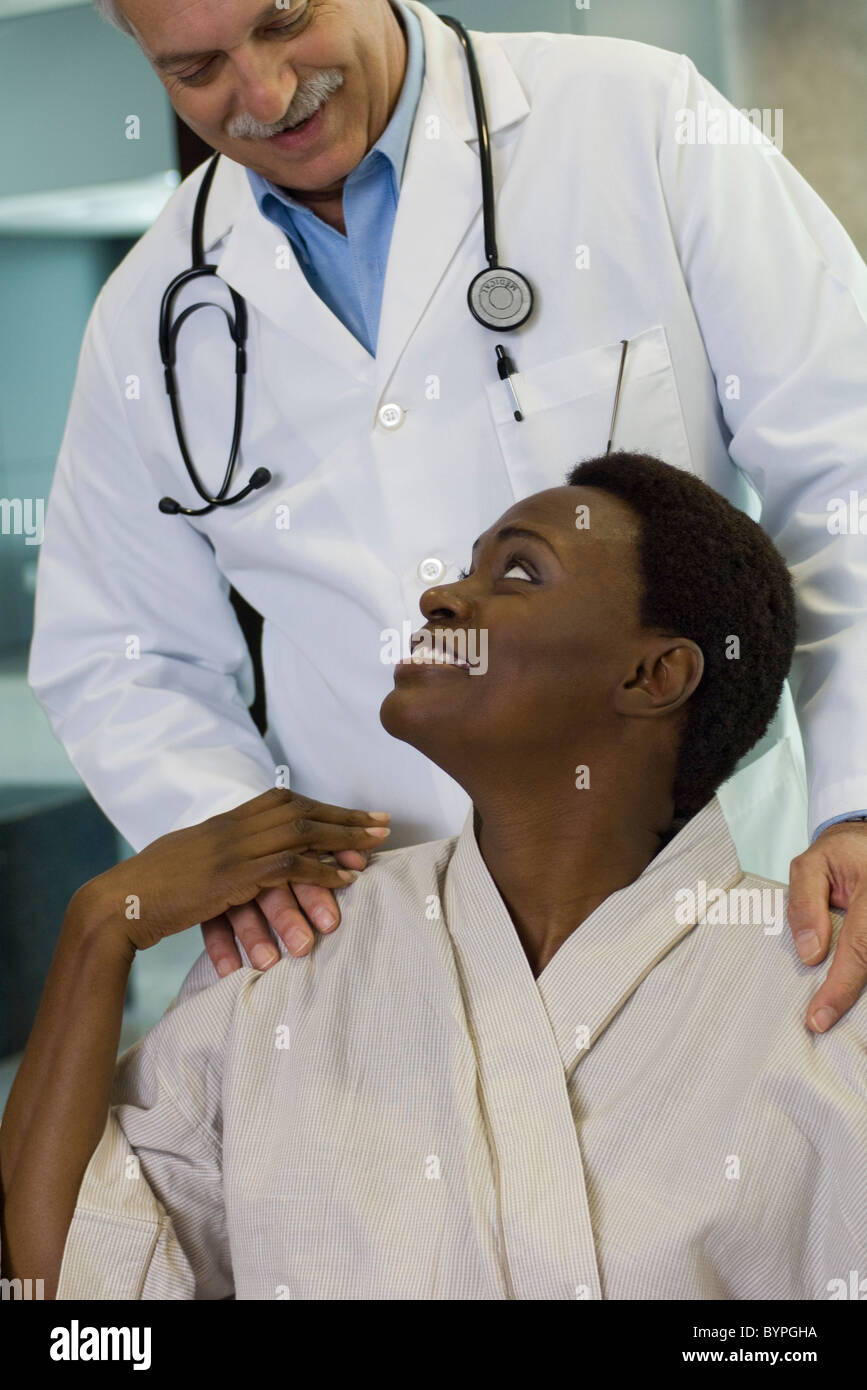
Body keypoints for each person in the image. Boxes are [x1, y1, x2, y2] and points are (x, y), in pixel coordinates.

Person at [27, 0, 867, 1028]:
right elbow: (115, 648)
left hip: (721, 886)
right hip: (373, 935)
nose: (269, 94)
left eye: (286, 20)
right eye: (197, 68)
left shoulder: (636, 126)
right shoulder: (149, 313)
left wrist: (857, 796)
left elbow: (844, 473)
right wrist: (224, 826)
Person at [3, 453, 865, 1300]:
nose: (438, 596)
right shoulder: (293, 963)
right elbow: (74, 1296)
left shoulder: (817, 996)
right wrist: (100, 928)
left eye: (520, 571)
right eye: (464, 568)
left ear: (653, 674)